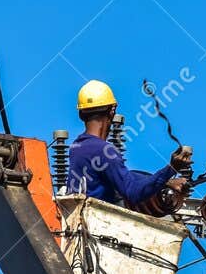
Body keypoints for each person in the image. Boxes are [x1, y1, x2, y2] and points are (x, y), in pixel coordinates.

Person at [68, 80, 191, 209]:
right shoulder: (104, 151)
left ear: (81, 114)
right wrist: (171, 169)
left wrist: (166, 182)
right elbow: (133, 192)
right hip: (97, 225)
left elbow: (125, 176)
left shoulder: (77, 147)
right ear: (112, 110)